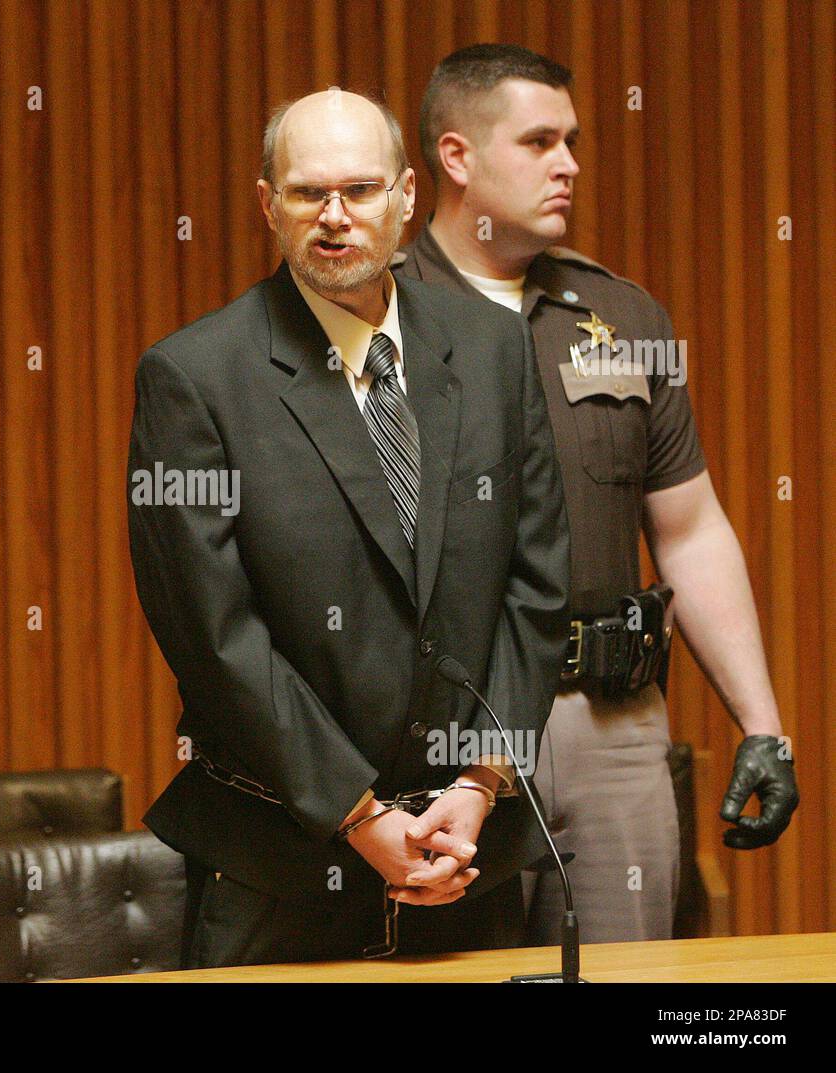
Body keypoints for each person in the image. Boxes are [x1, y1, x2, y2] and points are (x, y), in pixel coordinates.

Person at [127, 88, 570, 968]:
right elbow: (213, 636)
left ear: (407, 196)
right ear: (267, 205)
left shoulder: (493, 347)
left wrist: (481, 780)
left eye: (361, 190)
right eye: (306, 194)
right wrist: (361, 816)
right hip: (281, 866)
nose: (335, 218)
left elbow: (537, 583)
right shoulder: (195, 376)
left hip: (466, 854)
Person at [399, 44, 798, 944]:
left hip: (610, 722)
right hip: (447, 729)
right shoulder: (385, 315)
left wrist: (762, 725)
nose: (570, 163)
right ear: (457, 157)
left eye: (572, 140)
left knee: (635, 990)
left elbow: (690, 530)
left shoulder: (620, 317)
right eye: (539, 141)